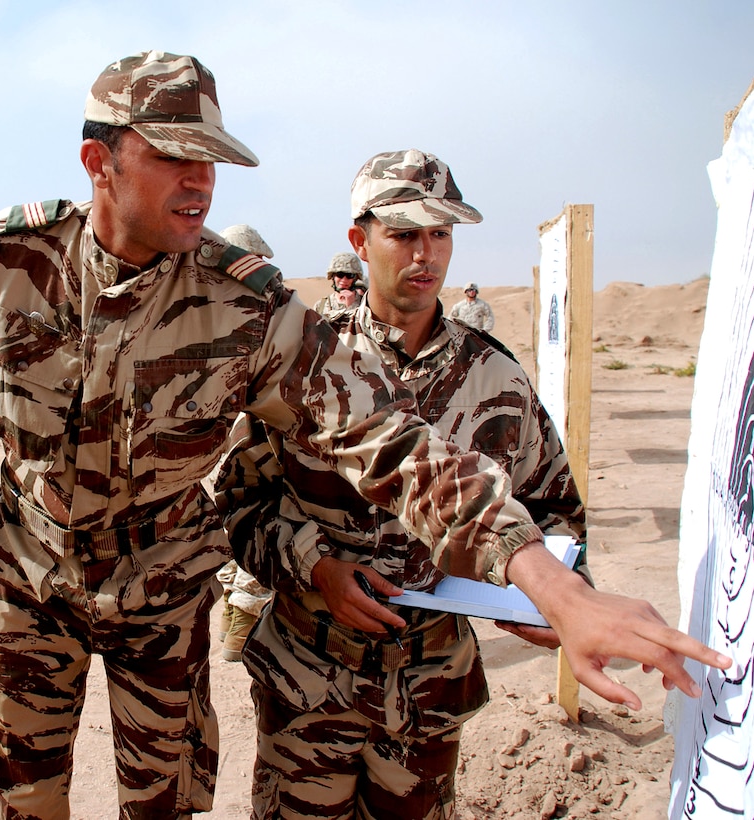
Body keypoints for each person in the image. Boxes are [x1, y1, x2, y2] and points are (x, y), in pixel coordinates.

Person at [0, 51, 730, 820]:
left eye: (212, 164)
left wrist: (557, 590)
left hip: (160, 592)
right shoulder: (9, 257)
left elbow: (390, 440)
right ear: (100, 163)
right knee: (22, 790)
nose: (201, 184)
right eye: (174, 158)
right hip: (28, 576)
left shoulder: (250, 308)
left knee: (161, 799)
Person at [212, 148, 588, 818]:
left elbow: (556, 511)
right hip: (307, 685)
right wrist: (314, 566)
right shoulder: (299, 364)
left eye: (440, 234)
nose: (426, 255)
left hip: (428, 695)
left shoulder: (495, 379)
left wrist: (552, 600)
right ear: (360, 241)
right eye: (404, 233)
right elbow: (238, 504)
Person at [213, 225, 276, 661]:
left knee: (232, 524)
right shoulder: (256, 305)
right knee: (253, 522)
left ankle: (235, 617)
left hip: (228, 441)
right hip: (248, 439)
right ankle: (240, 622)